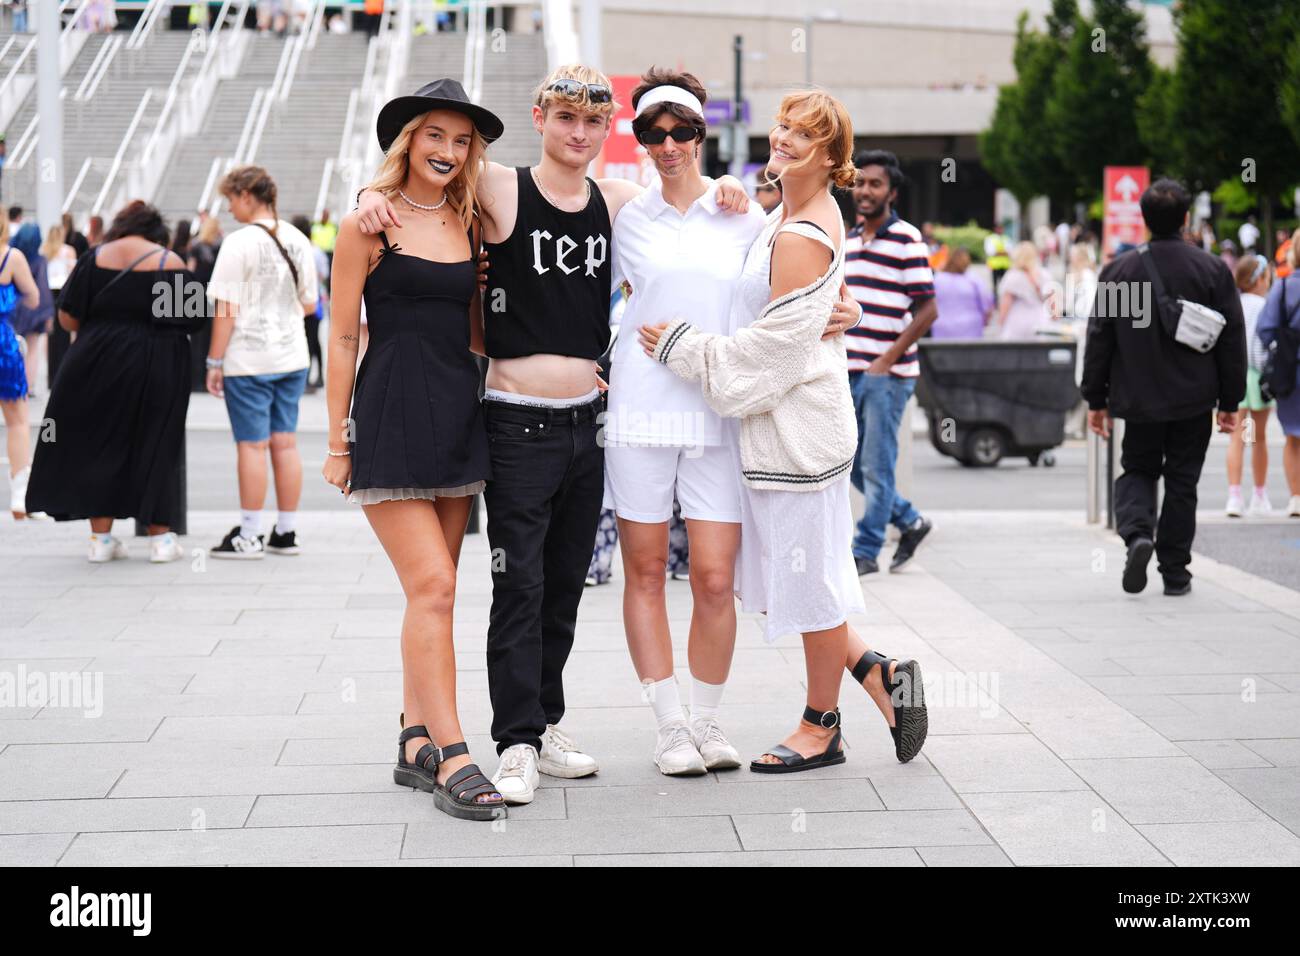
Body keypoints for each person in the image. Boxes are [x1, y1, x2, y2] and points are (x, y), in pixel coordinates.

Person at [355, 65, 753, 804]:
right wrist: (370, 195)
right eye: (565, 117)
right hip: (514, 421)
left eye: (593, 122)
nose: (578, 133)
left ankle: (545, 722)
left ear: (609, 131)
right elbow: (427, 176)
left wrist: (729, 191)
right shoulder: (502, 187)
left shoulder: (617, 202)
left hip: (589, 425)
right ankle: (514, 741)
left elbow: (686, 206)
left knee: (565, 584)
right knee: (519, 583)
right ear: (539, 116)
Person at [641, 90, 929, 772]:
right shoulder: (794, 212)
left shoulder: (800, 230)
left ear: (833, 159)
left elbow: (766, 361)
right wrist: (835, 306)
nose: (784, 139)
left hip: (795, 437)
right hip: (798, 432)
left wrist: (683, 346)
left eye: (805, 135)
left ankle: (821, 725)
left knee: (808, 585)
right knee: (795, 580)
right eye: (783, 127)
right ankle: (879, 675)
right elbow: (794, 321)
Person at [323, 79, 507, 821]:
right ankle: (456, 756)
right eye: (435, 135)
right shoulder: (366, 223)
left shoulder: (468, 220)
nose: (449, 151)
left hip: (458, 412)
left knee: (437, 590)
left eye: (462, 141)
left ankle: (414, 737)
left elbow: (472, 332)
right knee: (432, 586)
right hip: (392, 411)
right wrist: (338, 440)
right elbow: (339, 336)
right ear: (408, 139)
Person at [605, 68, 765, 775]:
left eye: (680, 131)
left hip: (718, 410)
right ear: (638, 139)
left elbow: (776, 299)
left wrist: (837, 314)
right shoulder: (624, 214)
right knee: (642, 571)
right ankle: (670, 728)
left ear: (701, 134)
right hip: (640, 410)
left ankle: (707, 720)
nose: (666, 145)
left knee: (712, 577)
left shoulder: (744, 214)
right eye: (651, 133)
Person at [1081, 178, 1246, 595]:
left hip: (1137, 396)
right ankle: (1175, 573)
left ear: (1144, 218)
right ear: (1187, 217)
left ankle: (1138, 535)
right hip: (1194, 396)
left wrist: (1094, 398)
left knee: (1137, 468)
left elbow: (1101, 336)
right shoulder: (1210, 270)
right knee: (1182, 482)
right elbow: (1232, 338)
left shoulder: (1120, 272)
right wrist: (1230, 399)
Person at [25, 200, 199, 559]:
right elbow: (192, 320)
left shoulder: (94, 258)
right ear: (156, 231)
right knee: (157, 442)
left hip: (96, 359)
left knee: (99, 443)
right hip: (159, 360)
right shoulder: (170, 262)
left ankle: (101, 541)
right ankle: (161, 540)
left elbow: (68, 318)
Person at [205, 166, 318, 559]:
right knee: (285, 444)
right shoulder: (299, 240)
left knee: (251, 447)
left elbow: (227, 308)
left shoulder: (239, 243)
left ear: (247, 195)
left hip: (248, 358)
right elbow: (309, 304)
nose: (231, 208)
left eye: (232, 200)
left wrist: (213, 361)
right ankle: (285, 531)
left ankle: (249, 534)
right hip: (291, 355)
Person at [844, 149, 936, 575]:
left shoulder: (908, 239)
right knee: (850, 463)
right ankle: (910, 520)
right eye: (860, 182)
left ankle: (866, 550)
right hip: (847, 370)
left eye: (874, 184)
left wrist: (886, 359)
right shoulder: (845, 239)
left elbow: (928, 310)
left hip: (887, 374)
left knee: (876, 466)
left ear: (892, 192)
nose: (864, 190)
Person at [1225, 255, 1274, 517]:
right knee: (1259, 438)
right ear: (1258, 280)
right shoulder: (1262, 305)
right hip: (1256, 374)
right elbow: (1261, 344)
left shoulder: (1232, 302)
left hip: (1234, 374)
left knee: (1238, 438)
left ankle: (1234, 494)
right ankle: (1259, 493)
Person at [1256, 230, 1300, 518]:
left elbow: (1265, 329)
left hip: (1292, 368)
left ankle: (1296, 497)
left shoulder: (1284, 287)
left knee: (1294, 438)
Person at [0, 210, 40, 519]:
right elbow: (34, 297)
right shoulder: (11, 258)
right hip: (3, 342)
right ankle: (19, 493)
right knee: (16, 419)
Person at [11, 222, 51, 397]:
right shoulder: (40, 260)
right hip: (34, 308)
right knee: (33, 348)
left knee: (12, 347)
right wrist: (48, 313)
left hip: (13, 307)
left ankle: (12, 382)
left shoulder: (12, 256)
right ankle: (27, 386)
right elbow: (43, 288)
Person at [186, 215, 222, 392]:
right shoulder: (221, 246)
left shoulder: (196, 246)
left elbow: (190, 271)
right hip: (215, 294)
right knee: (210, 337)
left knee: (197, 338)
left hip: (196, 294)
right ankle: (209, 375)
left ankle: (196, 379)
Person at [291, 214, 327, 390]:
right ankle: (318, 374)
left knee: (304, 339)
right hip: (316, 300)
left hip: (298, 300)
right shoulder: (317, 251)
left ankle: (305, 378)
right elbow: (324, 274)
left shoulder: (294, 249)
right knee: (314, 338)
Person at [997, 240, 1056, 339]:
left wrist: (1001, 325)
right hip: (1041, 323)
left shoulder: (1012, 276)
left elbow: (1005, 308)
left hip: (1017, 324)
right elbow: (1054, 310)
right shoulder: (1045, 275)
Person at [931, 246, 992, 339]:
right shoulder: (974, 280)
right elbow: (987, 305)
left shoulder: (938, 279)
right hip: (970, 328)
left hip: (942, 328)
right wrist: (985, 321)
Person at [984, 223, 1010, 292]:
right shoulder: (990, 239)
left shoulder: (1006, 238)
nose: (1000, 230)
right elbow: (990, 252)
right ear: (995, 229)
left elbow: (1010, 251)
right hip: (994, 266)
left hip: (1005, 265)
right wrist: (1003, 252)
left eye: (1001, 228)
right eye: (999, 228)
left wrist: (998, 252)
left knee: (1004, 284)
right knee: (995, 285)